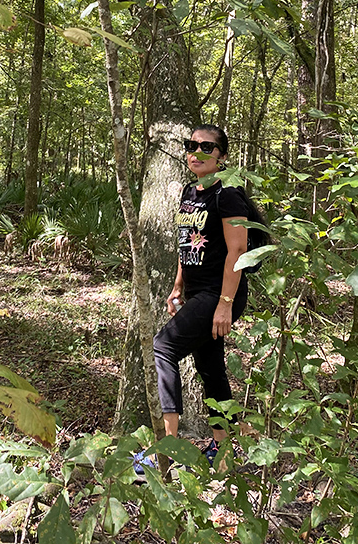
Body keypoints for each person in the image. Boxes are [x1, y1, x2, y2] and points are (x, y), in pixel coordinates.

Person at [134, 123, 249, 474]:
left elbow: (239, 250)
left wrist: (225, 304)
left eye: (207, 147)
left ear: (222, 156)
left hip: (221, 294)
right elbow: (187, 243)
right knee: (210, 367)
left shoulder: (227, 194)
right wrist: (178, 285)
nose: (197, 152)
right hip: (198, 292)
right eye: (191, 145)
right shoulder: (189, 191)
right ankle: (223, 451)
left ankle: (165, 450)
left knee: (164, 346)